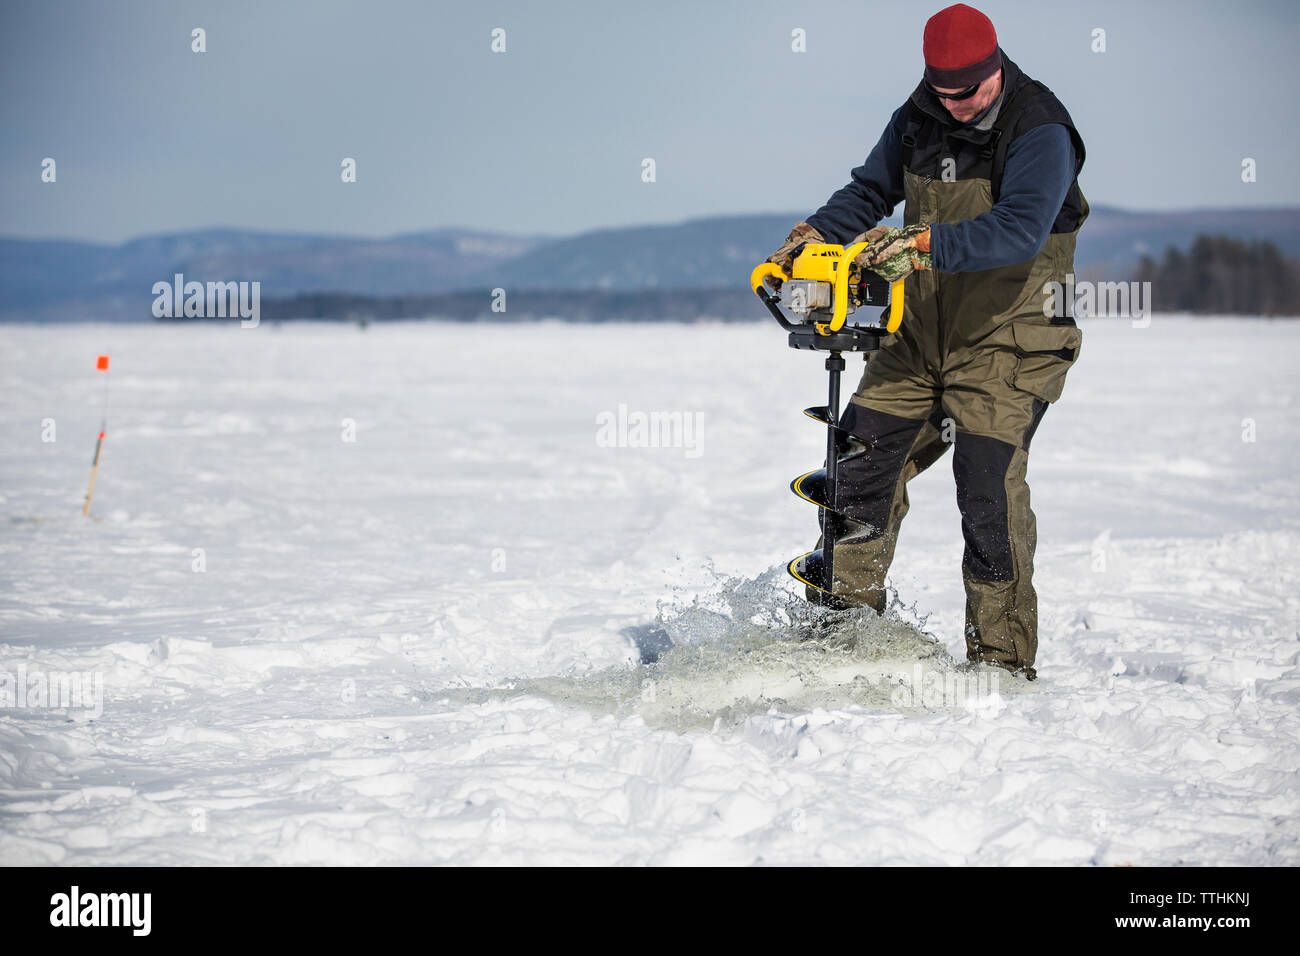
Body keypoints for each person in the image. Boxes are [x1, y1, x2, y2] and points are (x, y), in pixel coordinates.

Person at [766, 3, 1088, 680]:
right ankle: (841, 635)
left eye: (965, 93)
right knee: (857, 468)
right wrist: (817, 236)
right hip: (917, 337)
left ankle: (1001, 663)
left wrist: (921, 245)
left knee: (986, 490)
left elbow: (1019, 230)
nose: (954, 106)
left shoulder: (1040, 128)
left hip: (1010, 339)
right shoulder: (920, 115)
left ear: (994, 68)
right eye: (941, 94)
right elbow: (869, 190)